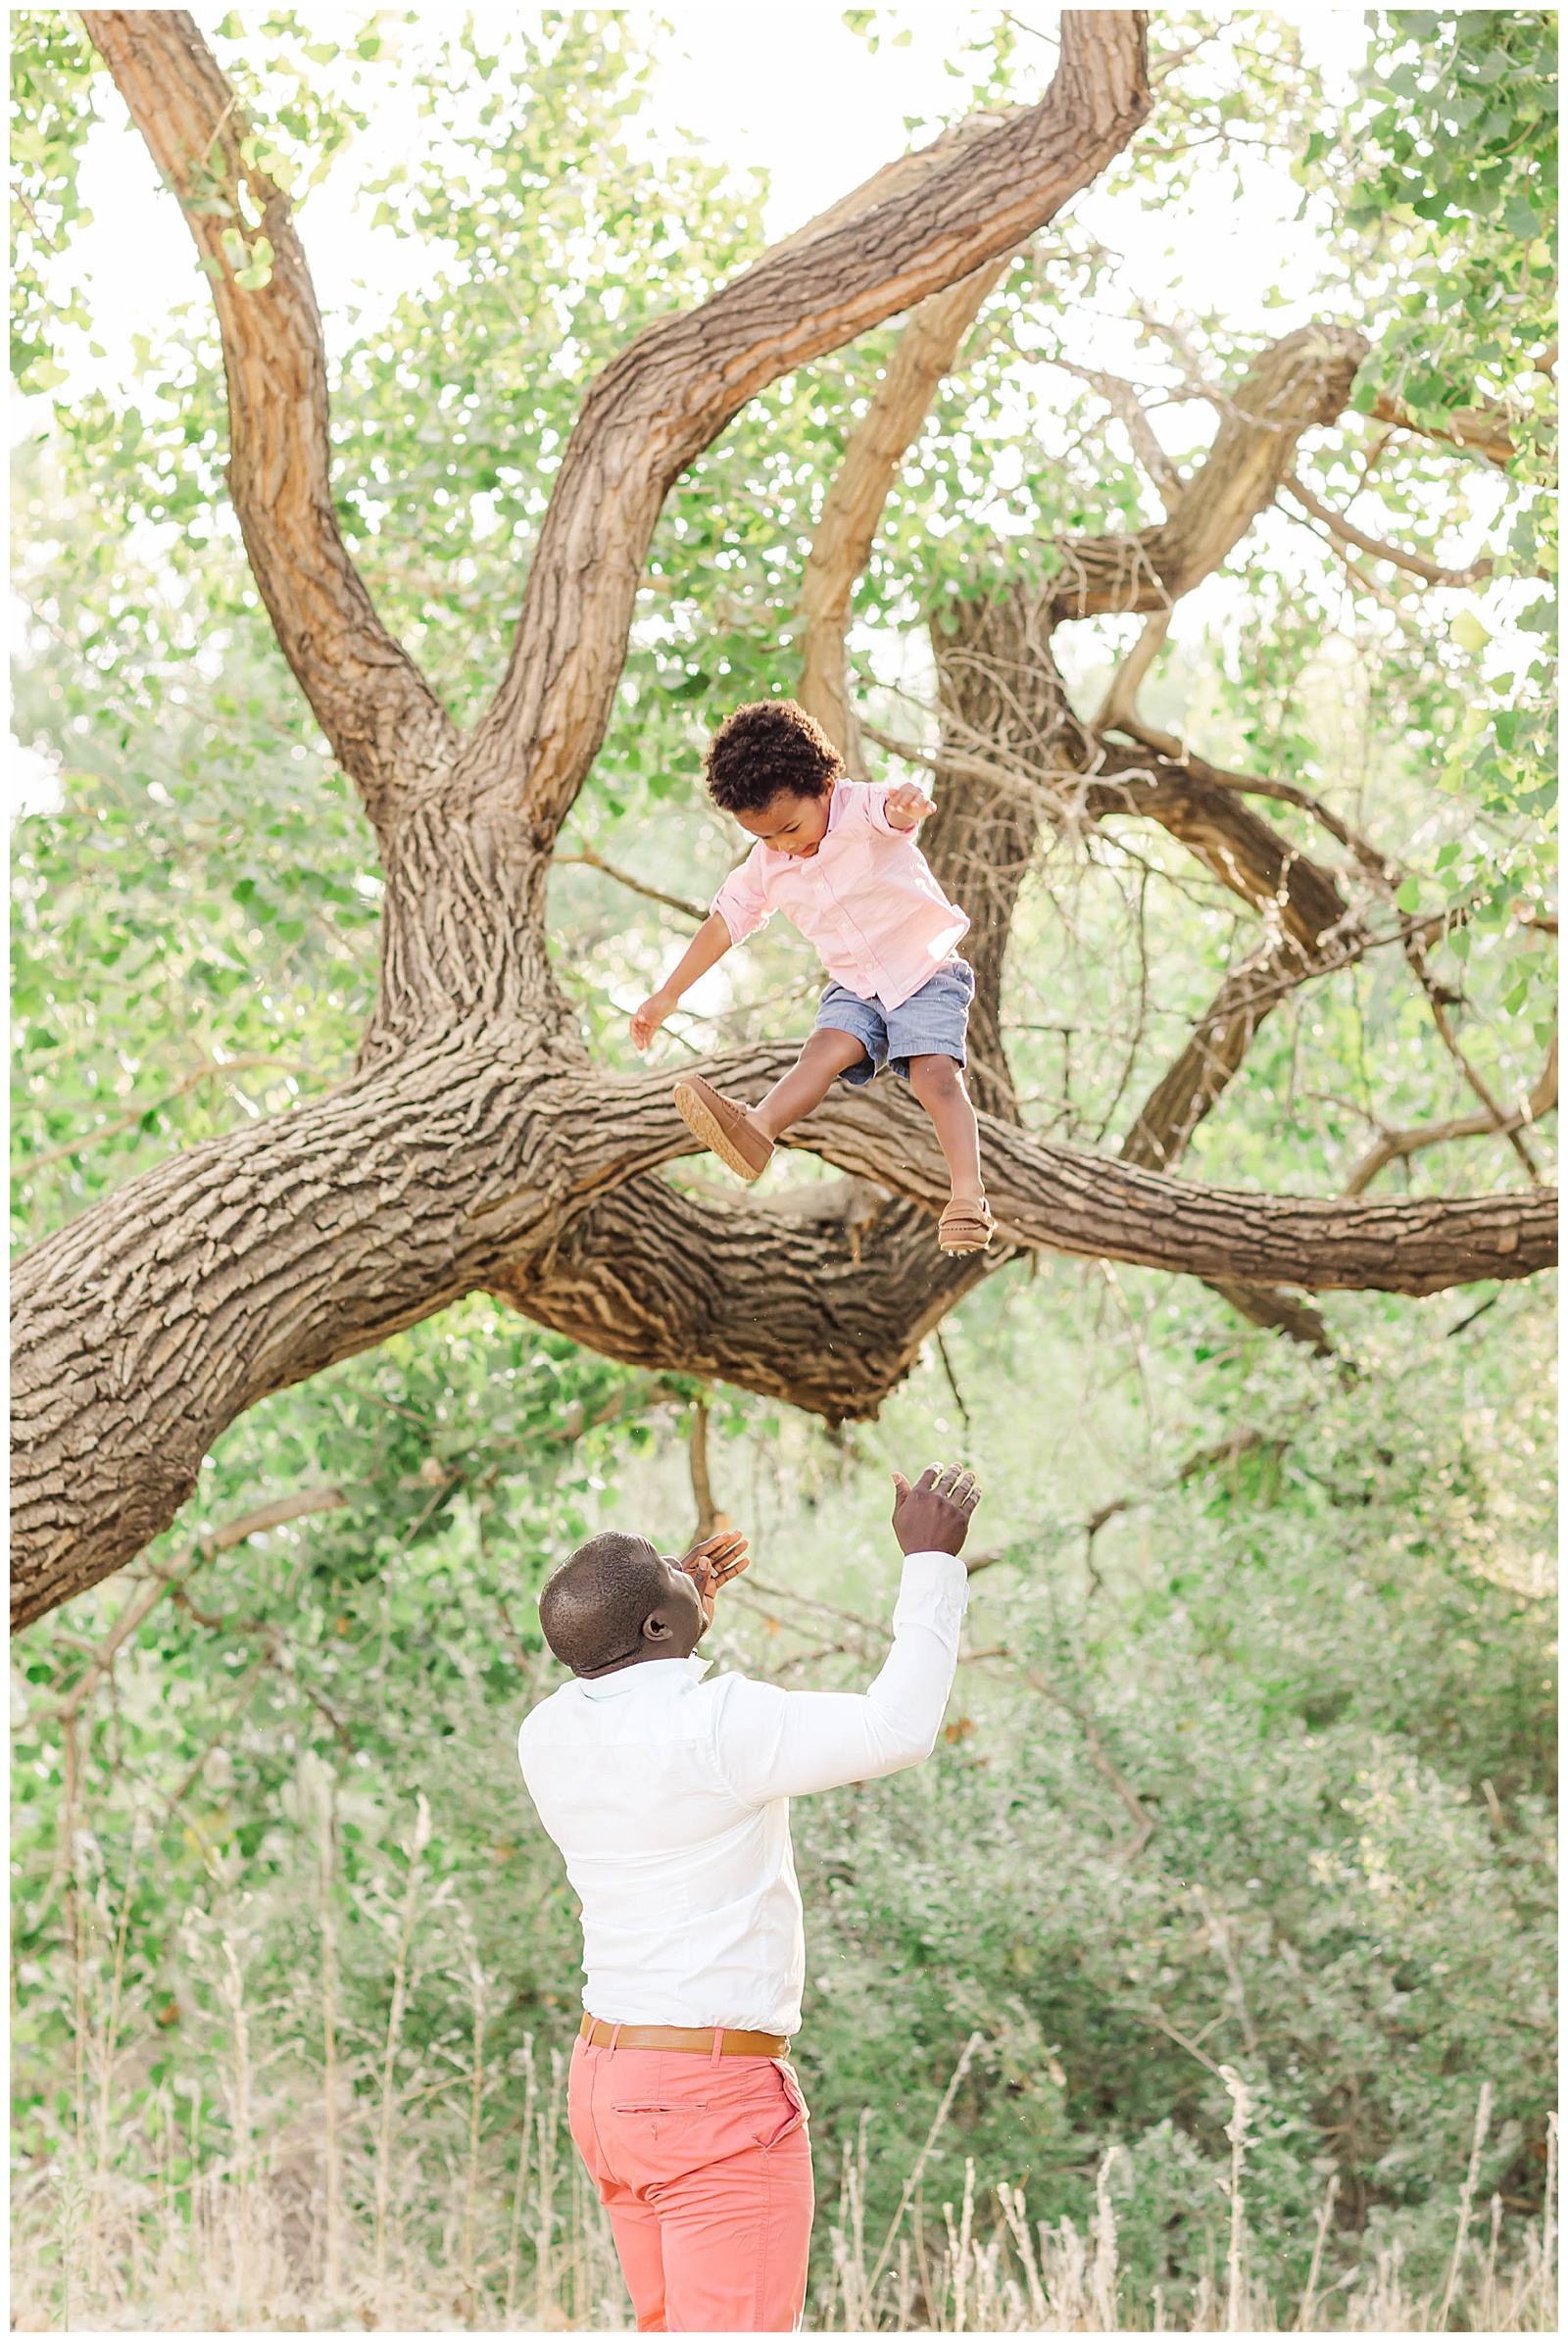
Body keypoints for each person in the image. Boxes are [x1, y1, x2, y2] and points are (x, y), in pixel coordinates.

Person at [516, 1461, 982, 2333]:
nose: (688, 1570)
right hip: (708, 2096)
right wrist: (931, 1561)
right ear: (657, 1623)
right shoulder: (718, 1725)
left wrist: (667, 1616)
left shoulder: (546, 1733)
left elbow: (625, 1674)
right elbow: (898, 1727)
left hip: (608, 2087)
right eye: (670, 1573)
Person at [629, 699, 994, 1256]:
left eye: (790, 828)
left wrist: (907, 806)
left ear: (824, 782)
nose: (784, 846)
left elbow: (893, 813)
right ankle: (758, 1131)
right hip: (856, 986)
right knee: (820, 1053)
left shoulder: (858, 807)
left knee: (934, 1078)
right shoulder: (767, 864)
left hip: (925, 971)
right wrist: (667, 995)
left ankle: (967, 1198)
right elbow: (724, 923)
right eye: (766, 838)